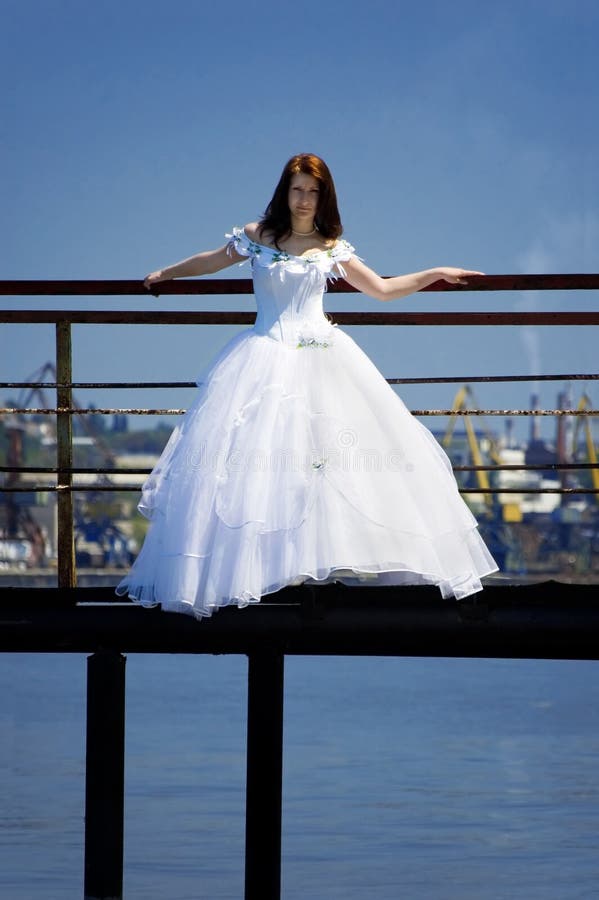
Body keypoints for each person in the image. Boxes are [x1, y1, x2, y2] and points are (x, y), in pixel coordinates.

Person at [116, 153, 498, 618]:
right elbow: (212, 261)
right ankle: (252, 576)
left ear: (324, 196)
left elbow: (381, 289)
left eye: (312, 191)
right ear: (284, 192)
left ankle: (316, 569)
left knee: (330, 460)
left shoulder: (331, 245)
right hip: (261, 356)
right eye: (296, 189)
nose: (303, 199)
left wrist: (435, 272)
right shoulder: (257, 236)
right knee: (254, 466)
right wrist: (166, 273)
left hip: (323, 357)